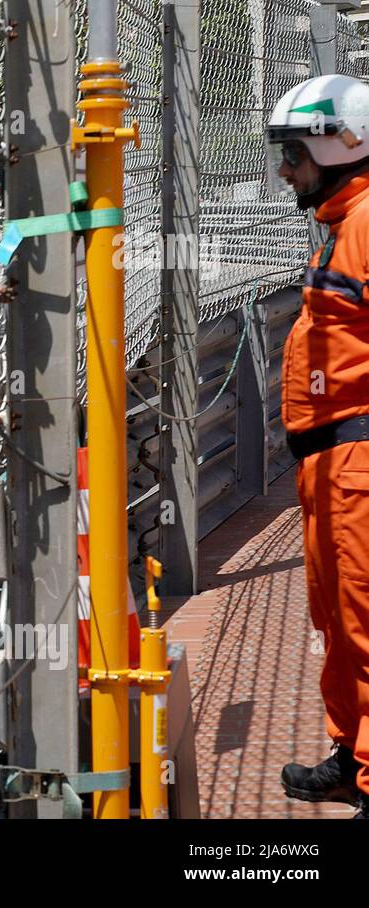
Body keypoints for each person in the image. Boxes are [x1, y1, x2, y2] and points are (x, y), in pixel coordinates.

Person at [267, 73, 369, 820]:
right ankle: (354, 758)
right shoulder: (347, 223)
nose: (284, 170)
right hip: (332, 465)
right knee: (338, 623)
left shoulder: (366, 225)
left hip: (359, 465)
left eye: (293, 153)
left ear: (340, 145)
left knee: (365, 621)